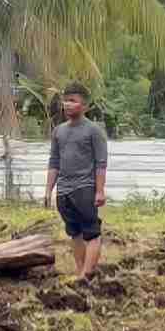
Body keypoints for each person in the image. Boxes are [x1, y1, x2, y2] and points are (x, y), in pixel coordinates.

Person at [43, 82, 108, 280]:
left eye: (73, 101)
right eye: (66, 101)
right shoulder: (58, 131)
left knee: (92, 233)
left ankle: (87, 275)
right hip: (64, 191)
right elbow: (54, 162)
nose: (68, 104)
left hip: (85, 189)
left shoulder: (94, 131)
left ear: (85, 106)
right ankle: (80, 272)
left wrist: (99, 191)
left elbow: (101, 163)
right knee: (74, 233)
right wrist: (48, 190)